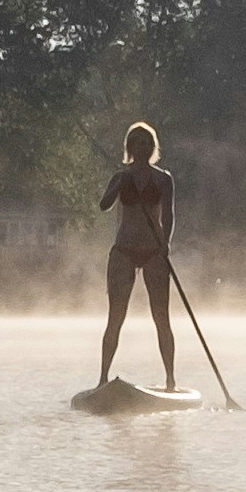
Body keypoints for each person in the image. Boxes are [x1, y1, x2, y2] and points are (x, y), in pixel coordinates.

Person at [95, 125, 178, 390]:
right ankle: (102, 379)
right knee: (115, 317)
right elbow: (103, 205)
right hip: (123, 251)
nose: (141, 148)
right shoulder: (121, 177)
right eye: (136, 143)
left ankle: (170, 381)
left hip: (154, 252)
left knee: (161, 317)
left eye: (146, 143)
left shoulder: (164, 179)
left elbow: (168, 215)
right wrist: (117, 185)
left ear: (152, 147)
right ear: (130, 147)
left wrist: (165, 245)